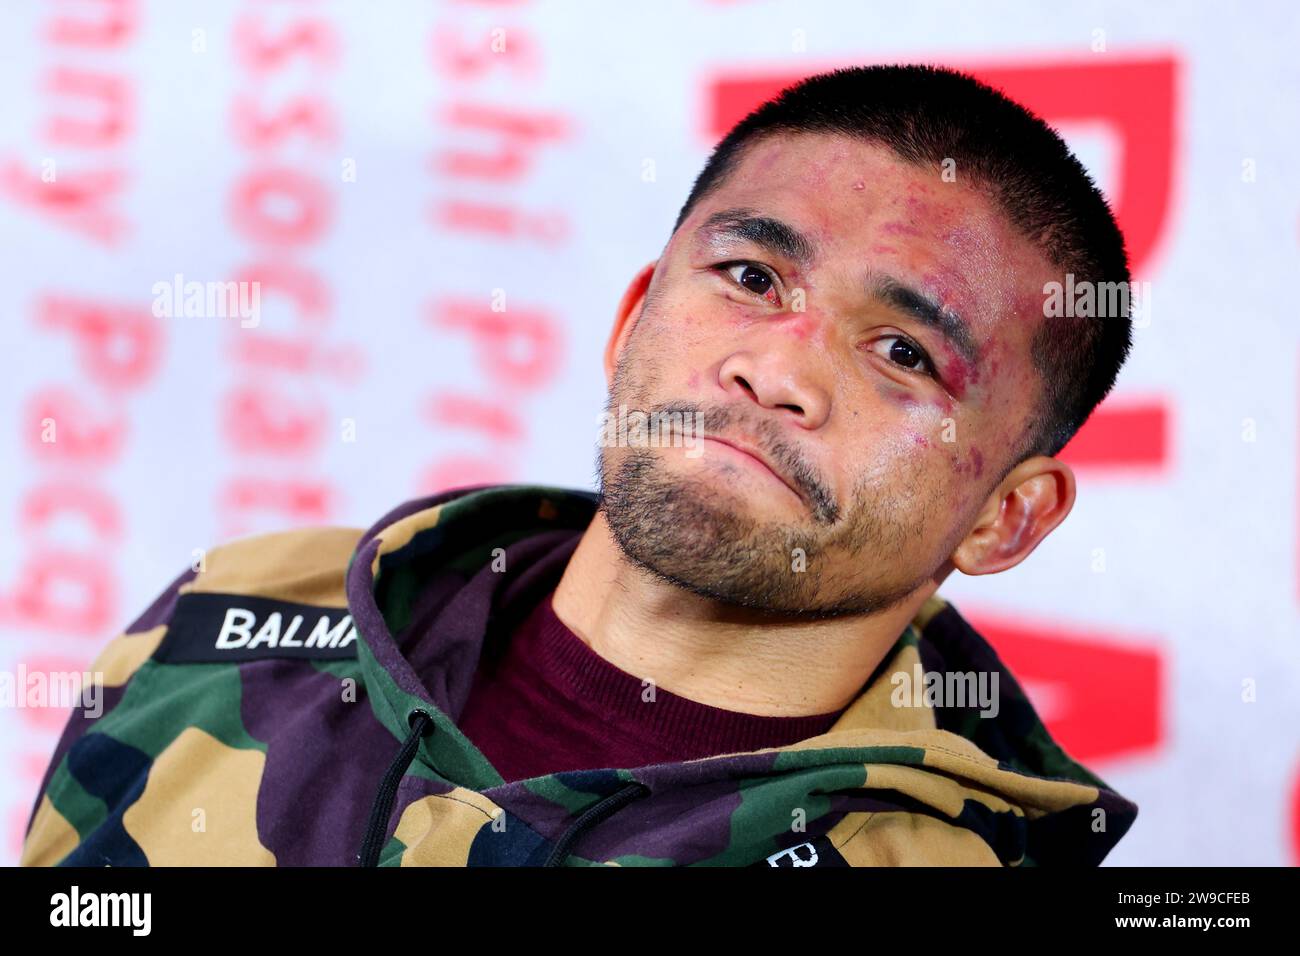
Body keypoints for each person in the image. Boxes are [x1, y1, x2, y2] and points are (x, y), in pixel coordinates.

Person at [22, 63, 1138, 867]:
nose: (774, 369)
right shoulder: (239, 613)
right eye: (750, 277)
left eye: (902, 353)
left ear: (1006, 518)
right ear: (629, 321)